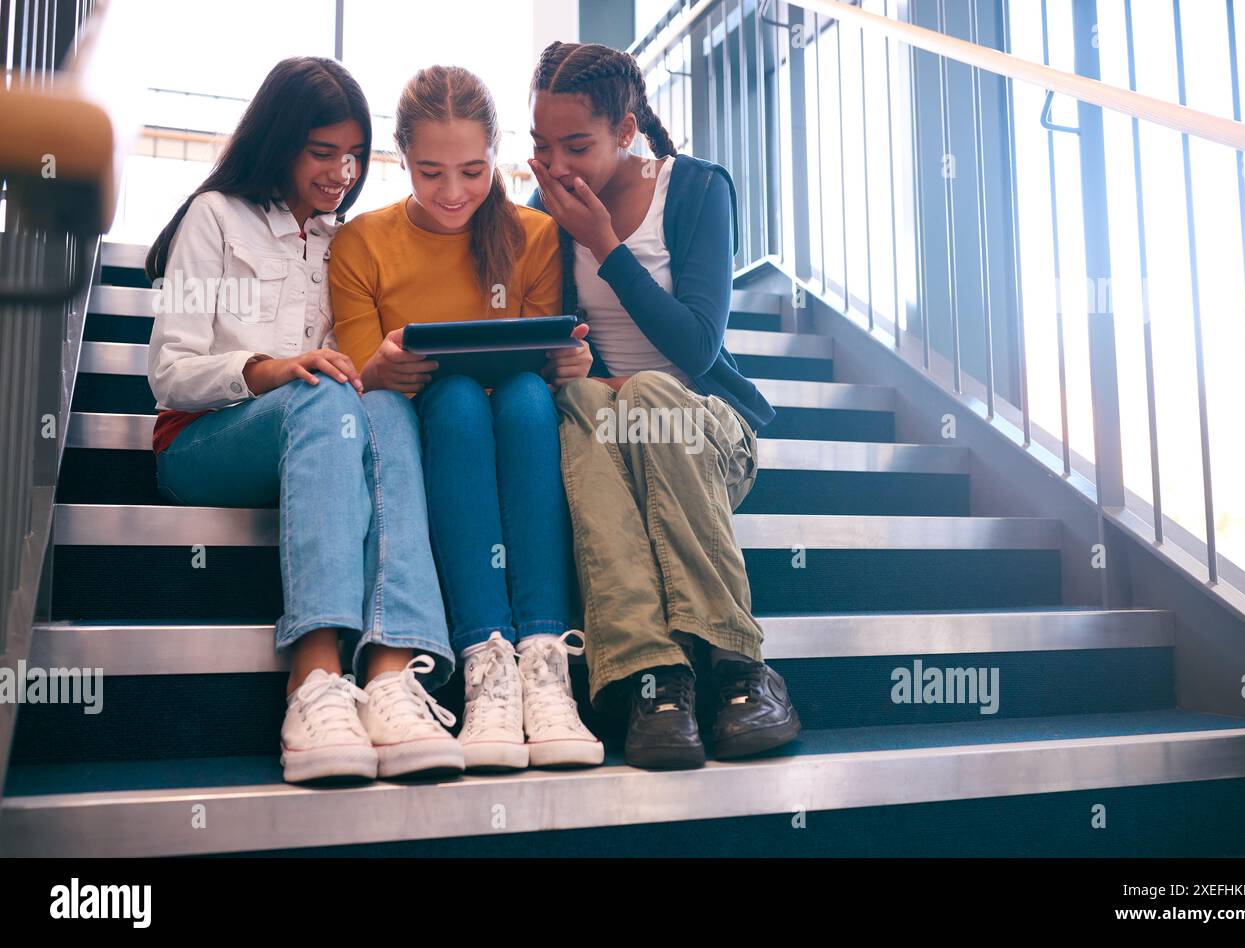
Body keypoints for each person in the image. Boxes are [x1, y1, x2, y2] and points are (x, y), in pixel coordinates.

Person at [146, 57, 463, 784]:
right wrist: (272, 369)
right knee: (326, 391)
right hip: (204, 441)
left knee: (378, 400)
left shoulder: (342, 243)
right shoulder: (214, 217)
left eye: (354, 156)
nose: (342, 173)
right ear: (279, 140)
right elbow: (170, 370)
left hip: (321, 442)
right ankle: (314, 677)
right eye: (323, 153)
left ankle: (388, 676)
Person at [526, 41, 801, 770]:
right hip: (605, 430)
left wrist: (606, 246)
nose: (556, 167)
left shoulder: (698, 189)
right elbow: (547, 339)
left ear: (625, 130)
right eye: (542, 147)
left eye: (577, 145)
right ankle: (653, 679)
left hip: (706, 428)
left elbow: (699, 347)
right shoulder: (541, 211)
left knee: (650, 390)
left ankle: (736, 664)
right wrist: (567, 361)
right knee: (584, 398)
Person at [329, 65, 603, 771]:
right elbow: (356, 379)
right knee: (452, 399)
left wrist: (568, 363)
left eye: (473, 171)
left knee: (523, 395)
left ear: (495, 156)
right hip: (430, 433)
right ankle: (486, 668)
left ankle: (544, 664)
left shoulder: (534, 236)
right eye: (430, 172)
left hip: (516, 425)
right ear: (400, 160)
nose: (453, 194)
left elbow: (541, 355)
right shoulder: (361, 242)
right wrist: (379, 369)